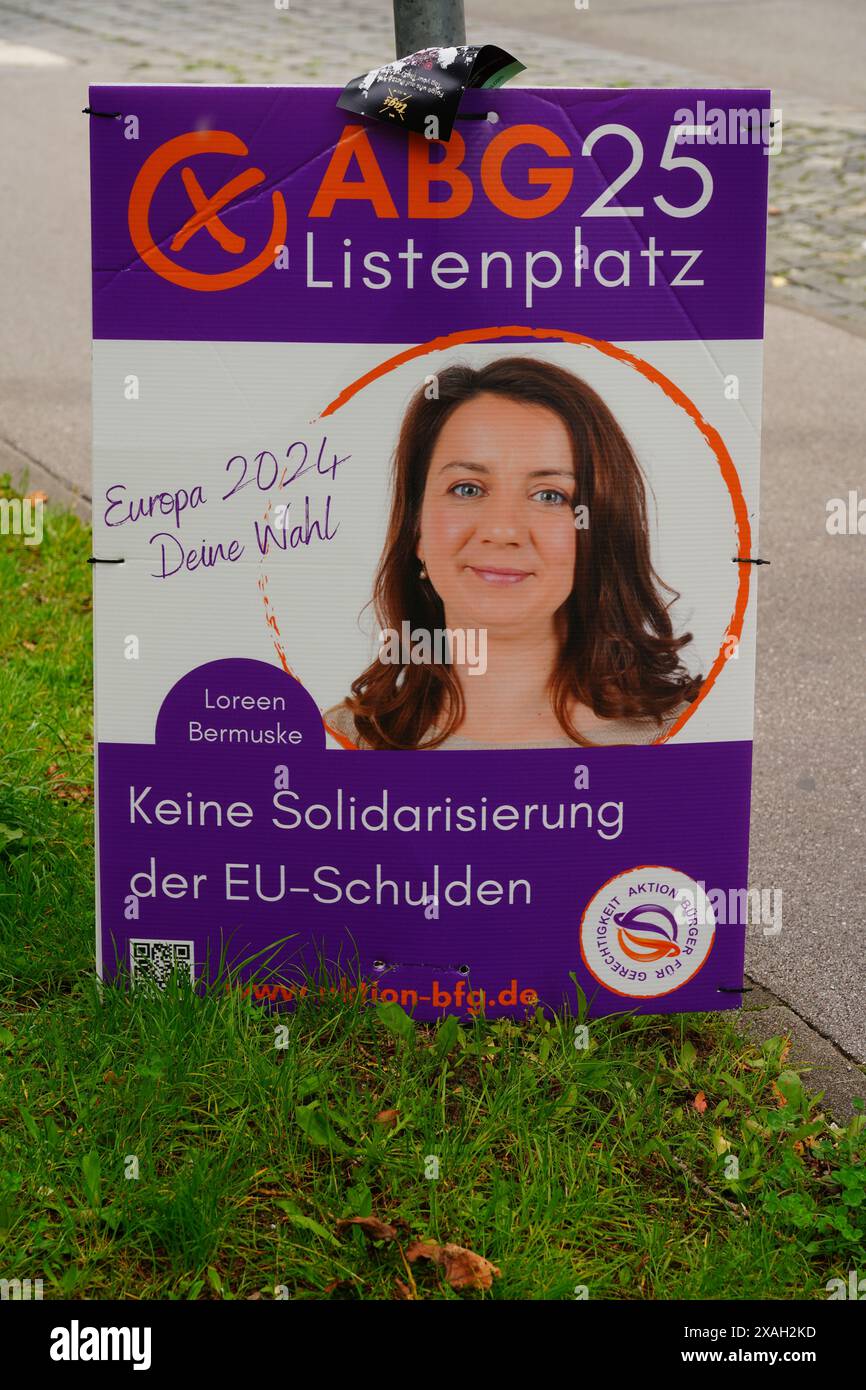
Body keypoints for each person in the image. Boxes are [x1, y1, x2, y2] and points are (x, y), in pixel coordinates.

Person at [325, 356, 702, 750]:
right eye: (467, 488)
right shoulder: (339, 741)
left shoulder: (689, 737)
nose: (502, 531)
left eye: (550, 496)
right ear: (416, 528)